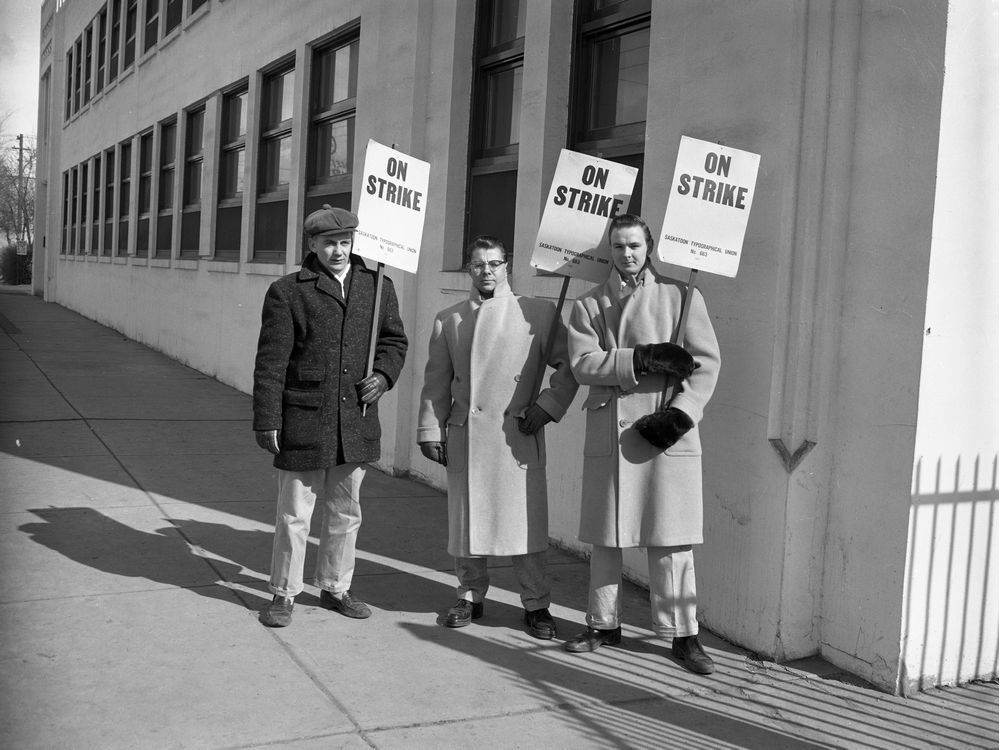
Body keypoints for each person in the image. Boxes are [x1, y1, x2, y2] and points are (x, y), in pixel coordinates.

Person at [563, 214, 721, 674]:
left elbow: (707, 364)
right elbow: (582, 365)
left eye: (634, 245)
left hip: (665, 432)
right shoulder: (589, 304)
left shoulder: (682, 297)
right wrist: (642, 358)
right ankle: (602, 623)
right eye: (617, 247)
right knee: (607, 536)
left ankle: (682, 635)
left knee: (671, 537)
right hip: (614, 429)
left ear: (648, 246)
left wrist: (681, 413)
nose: (626, 254)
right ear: (608, 251)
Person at [253, 204, 408, 628]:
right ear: (312, 245)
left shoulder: (378, 288)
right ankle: (284, 593)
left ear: (353, 242)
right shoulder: (288, 292)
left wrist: (383, 375)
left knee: (346, 512)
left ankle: (336, 587)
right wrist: (267, 418)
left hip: (354, 421)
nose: (338, 251)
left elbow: (394, 342)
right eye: (328, 243)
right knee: (294, 515)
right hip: (303, 419)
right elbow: (271, 362)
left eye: (344, 242)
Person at [417, 236, 579, 639]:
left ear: (507, 266)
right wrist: (429, 427)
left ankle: (537, 603)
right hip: (467, 432)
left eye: (493, 263)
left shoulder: (538, 313)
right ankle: (470, 595)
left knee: (526, 525)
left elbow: (570, 367)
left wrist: (548, 405)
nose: (486, 271)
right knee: (467, 522)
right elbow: (436, 382)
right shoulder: (448, 319)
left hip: (517, 433)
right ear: (468, 270)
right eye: (477, 265)